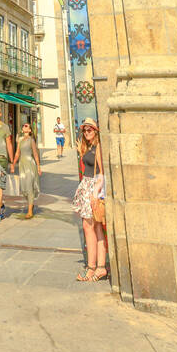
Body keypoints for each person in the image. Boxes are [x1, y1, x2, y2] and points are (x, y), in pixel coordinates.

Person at [72, 117, 108, 281]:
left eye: (90, 130)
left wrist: (95, 194)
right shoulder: (89, 147)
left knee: (89, 227)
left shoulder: (99, 148)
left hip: (93, 189)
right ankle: (100, 267)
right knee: (96, 228)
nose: (87, 132)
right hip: (88, 188)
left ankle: (92, 267)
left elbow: (101, 173)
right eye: (85, 130)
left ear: (96, 131)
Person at [11, 121, 41, 219]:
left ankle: (29, 211)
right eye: (23, 125)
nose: (24, 126)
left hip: (30, 165)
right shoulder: (19, 140)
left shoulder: (31, 140)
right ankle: (30, 204)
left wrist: (39, 166)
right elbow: (17, 153)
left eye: (26, 126)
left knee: (29, 185)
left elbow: (35, 154)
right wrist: (13, 164)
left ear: (30, 130)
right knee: (23, 187)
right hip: (22, 164)